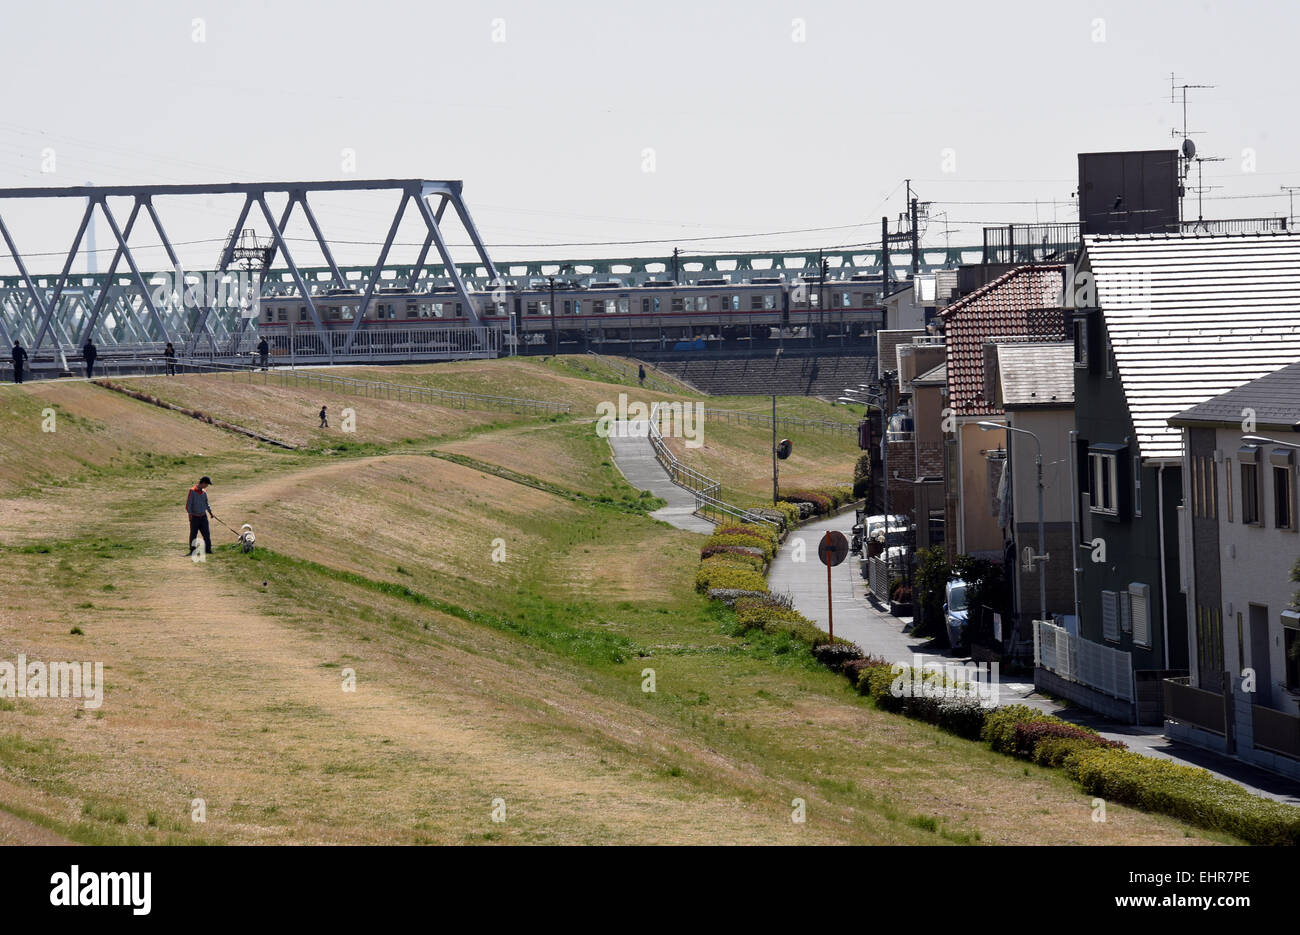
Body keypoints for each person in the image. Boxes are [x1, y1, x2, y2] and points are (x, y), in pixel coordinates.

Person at [185, 476, 215, 557]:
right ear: (203, 483)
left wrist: (210, 512)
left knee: (206, 534)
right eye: (207, 484)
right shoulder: (192, 491)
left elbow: (206, 503)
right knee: (193, 535)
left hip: (203, 517)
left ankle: (208, 550)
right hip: (194, 517)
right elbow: (188, 505)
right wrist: (190, 514)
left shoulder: (204, 492)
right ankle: (192, 551)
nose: (207, 486)